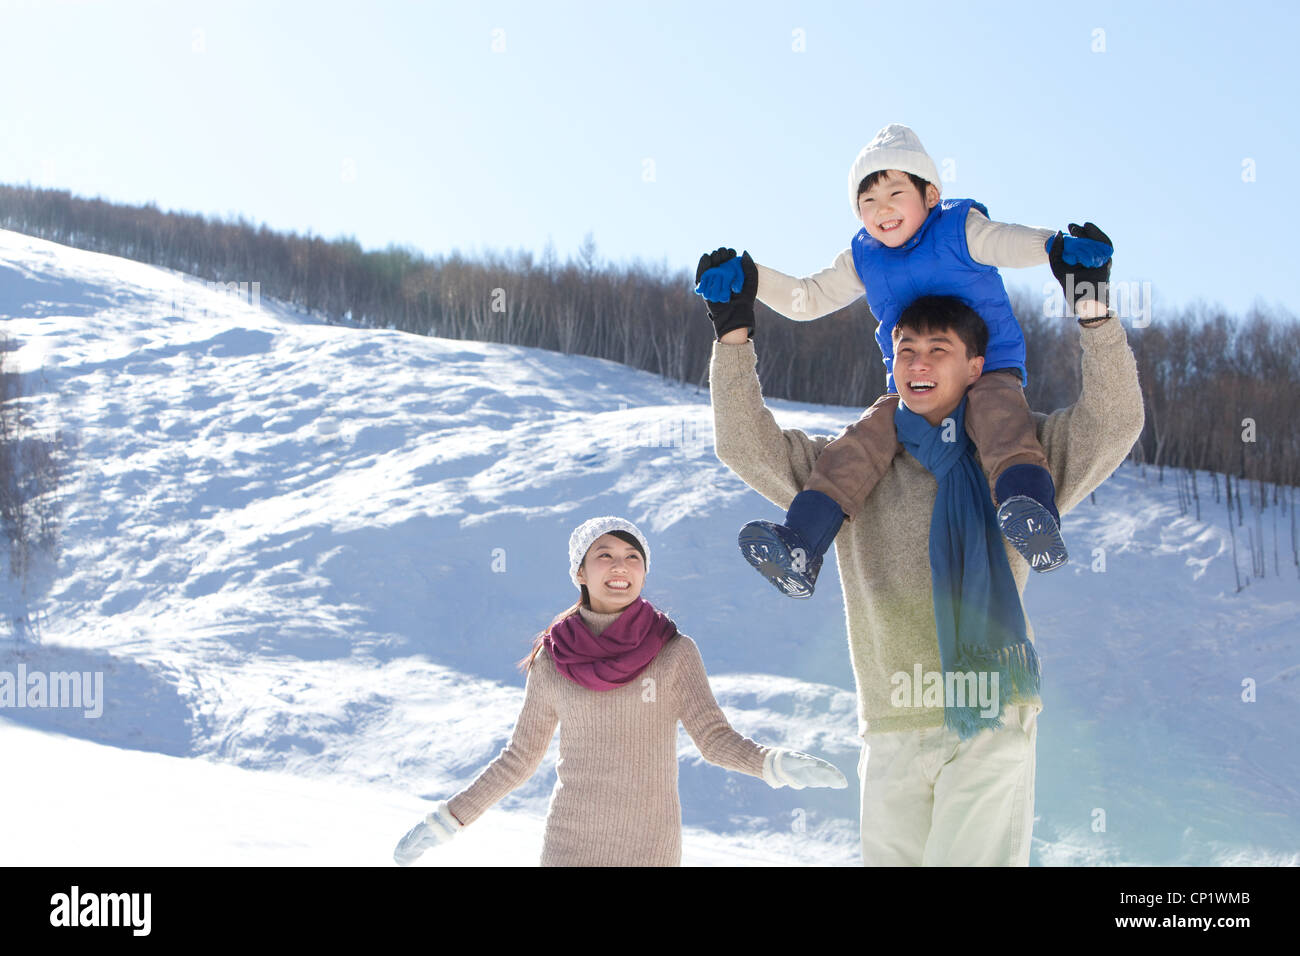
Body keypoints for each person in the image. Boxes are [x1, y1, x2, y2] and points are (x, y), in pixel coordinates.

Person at [702, 247, 1144, 865]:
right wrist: (733, 334)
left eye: (939, 349)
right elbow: (743, 445)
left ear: (975, 366)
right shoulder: (849, 471)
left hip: (990, 716)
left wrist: (1094, 313)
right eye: (906, 349)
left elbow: (1114, 421)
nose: (919, 362)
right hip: (892, 724)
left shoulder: (1020, 459)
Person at [695, 123, 1114, 597]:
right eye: (867, 202)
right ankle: (802, 544)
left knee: (1001, 423)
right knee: (859, 444)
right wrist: (750, 279)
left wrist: (1054, 247)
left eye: (896, 192)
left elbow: (1006, 243)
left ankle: (1029, 510)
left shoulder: (960, 228)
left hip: (987, 368)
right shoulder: (864, 256)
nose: (882, 210)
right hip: (909, 389)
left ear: (931, 194)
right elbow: (807, 299)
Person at [392, 516, 847, 867]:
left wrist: (775, 763)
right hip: (570, 844)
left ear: (644, 572)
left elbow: (713, 739)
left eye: (632, 556)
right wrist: (448, 820)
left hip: (650, 848)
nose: (620, 566)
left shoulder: (673, 652)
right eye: (604, 555)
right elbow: (519, 758)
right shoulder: (553, 658)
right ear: (581, 573)